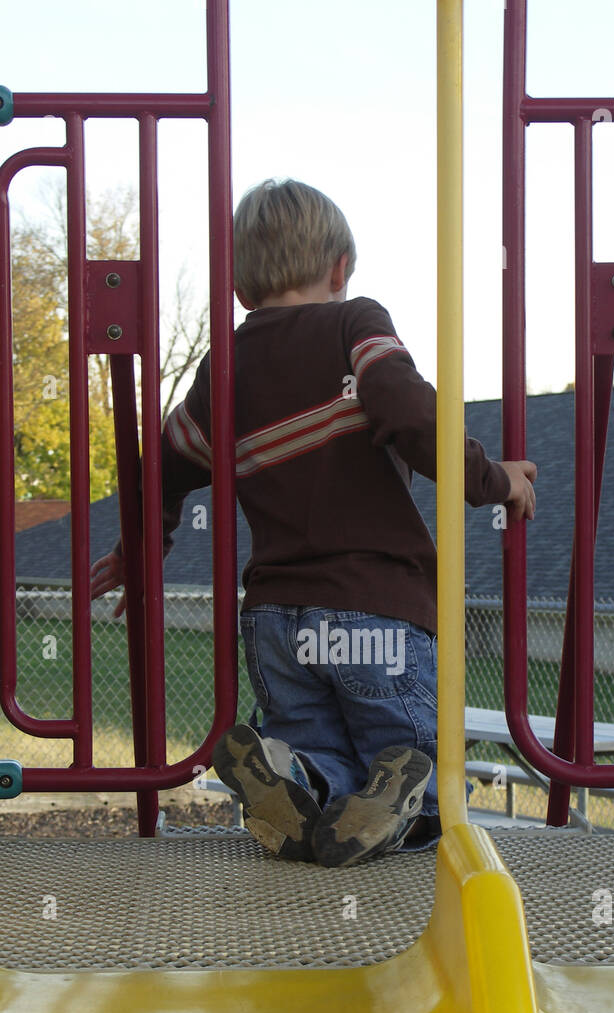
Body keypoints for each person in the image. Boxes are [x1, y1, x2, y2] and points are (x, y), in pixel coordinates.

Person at [91, 178, 537, 866]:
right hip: (375, 610)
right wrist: (493, 479)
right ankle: (397, 790)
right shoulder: (353, 324)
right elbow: (411, 411)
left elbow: (162, 467)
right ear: (339, 268)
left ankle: (289, 775)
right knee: (423, 772)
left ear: (241, 288)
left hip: (275, 621)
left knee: (320, 753)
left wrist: (141, 550)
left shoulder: (225, 369)